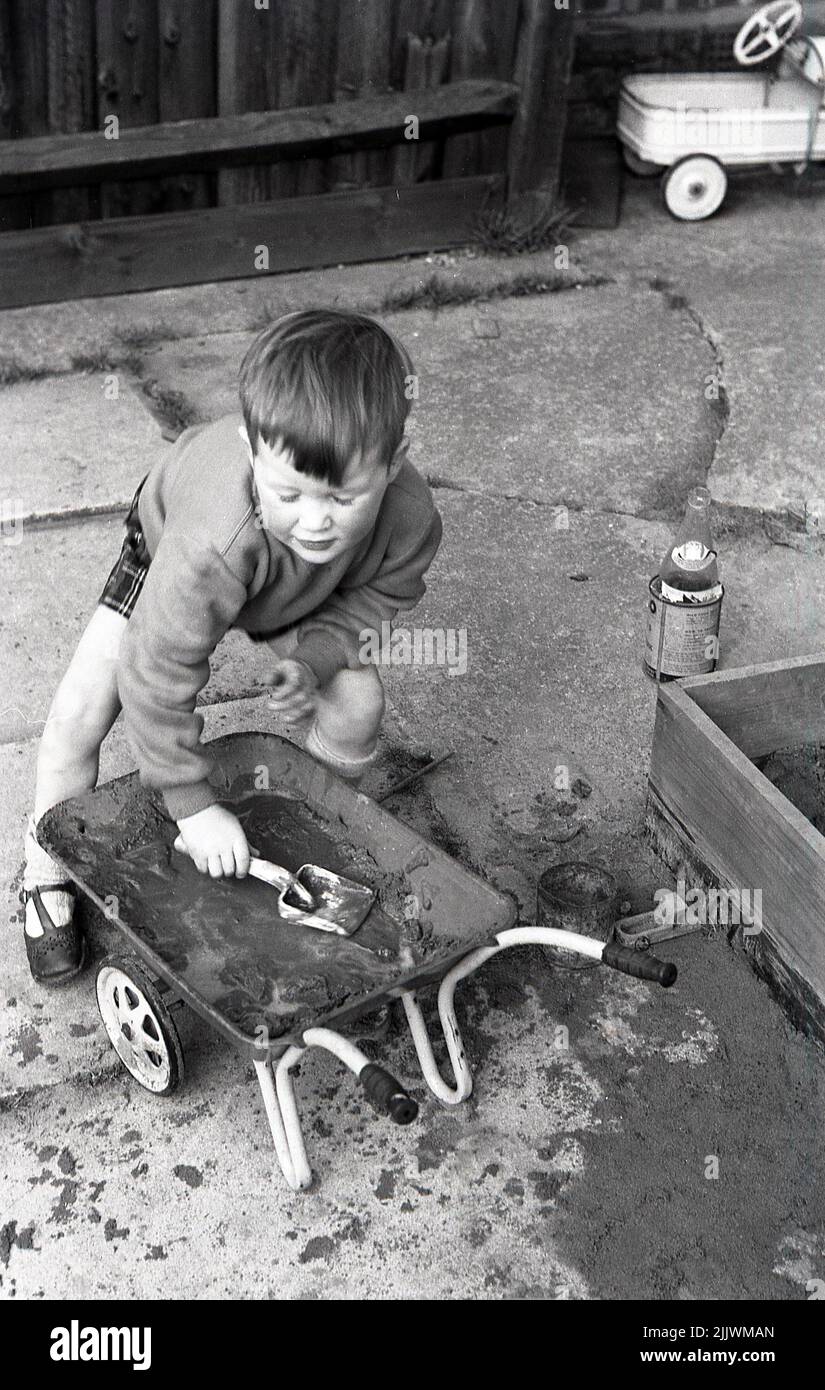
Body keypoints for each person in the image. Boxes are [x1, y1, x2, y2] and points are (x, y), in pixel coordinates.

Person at [21, 308, 442, 984]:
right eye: (290, 493)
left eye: (340, 497)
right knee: (82, 713)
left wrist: (316, 659)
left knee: (357, 699)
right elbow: (155, 675)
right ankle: (43, 875)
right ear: (252, 448)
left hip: (297, 588)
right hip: (179, 544)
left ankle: (316, 828)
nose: (313, 521)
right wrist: (193, 807)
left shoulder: (409, 517)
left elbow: (379, 599)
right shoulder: (207, 543)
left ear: (393, 460)